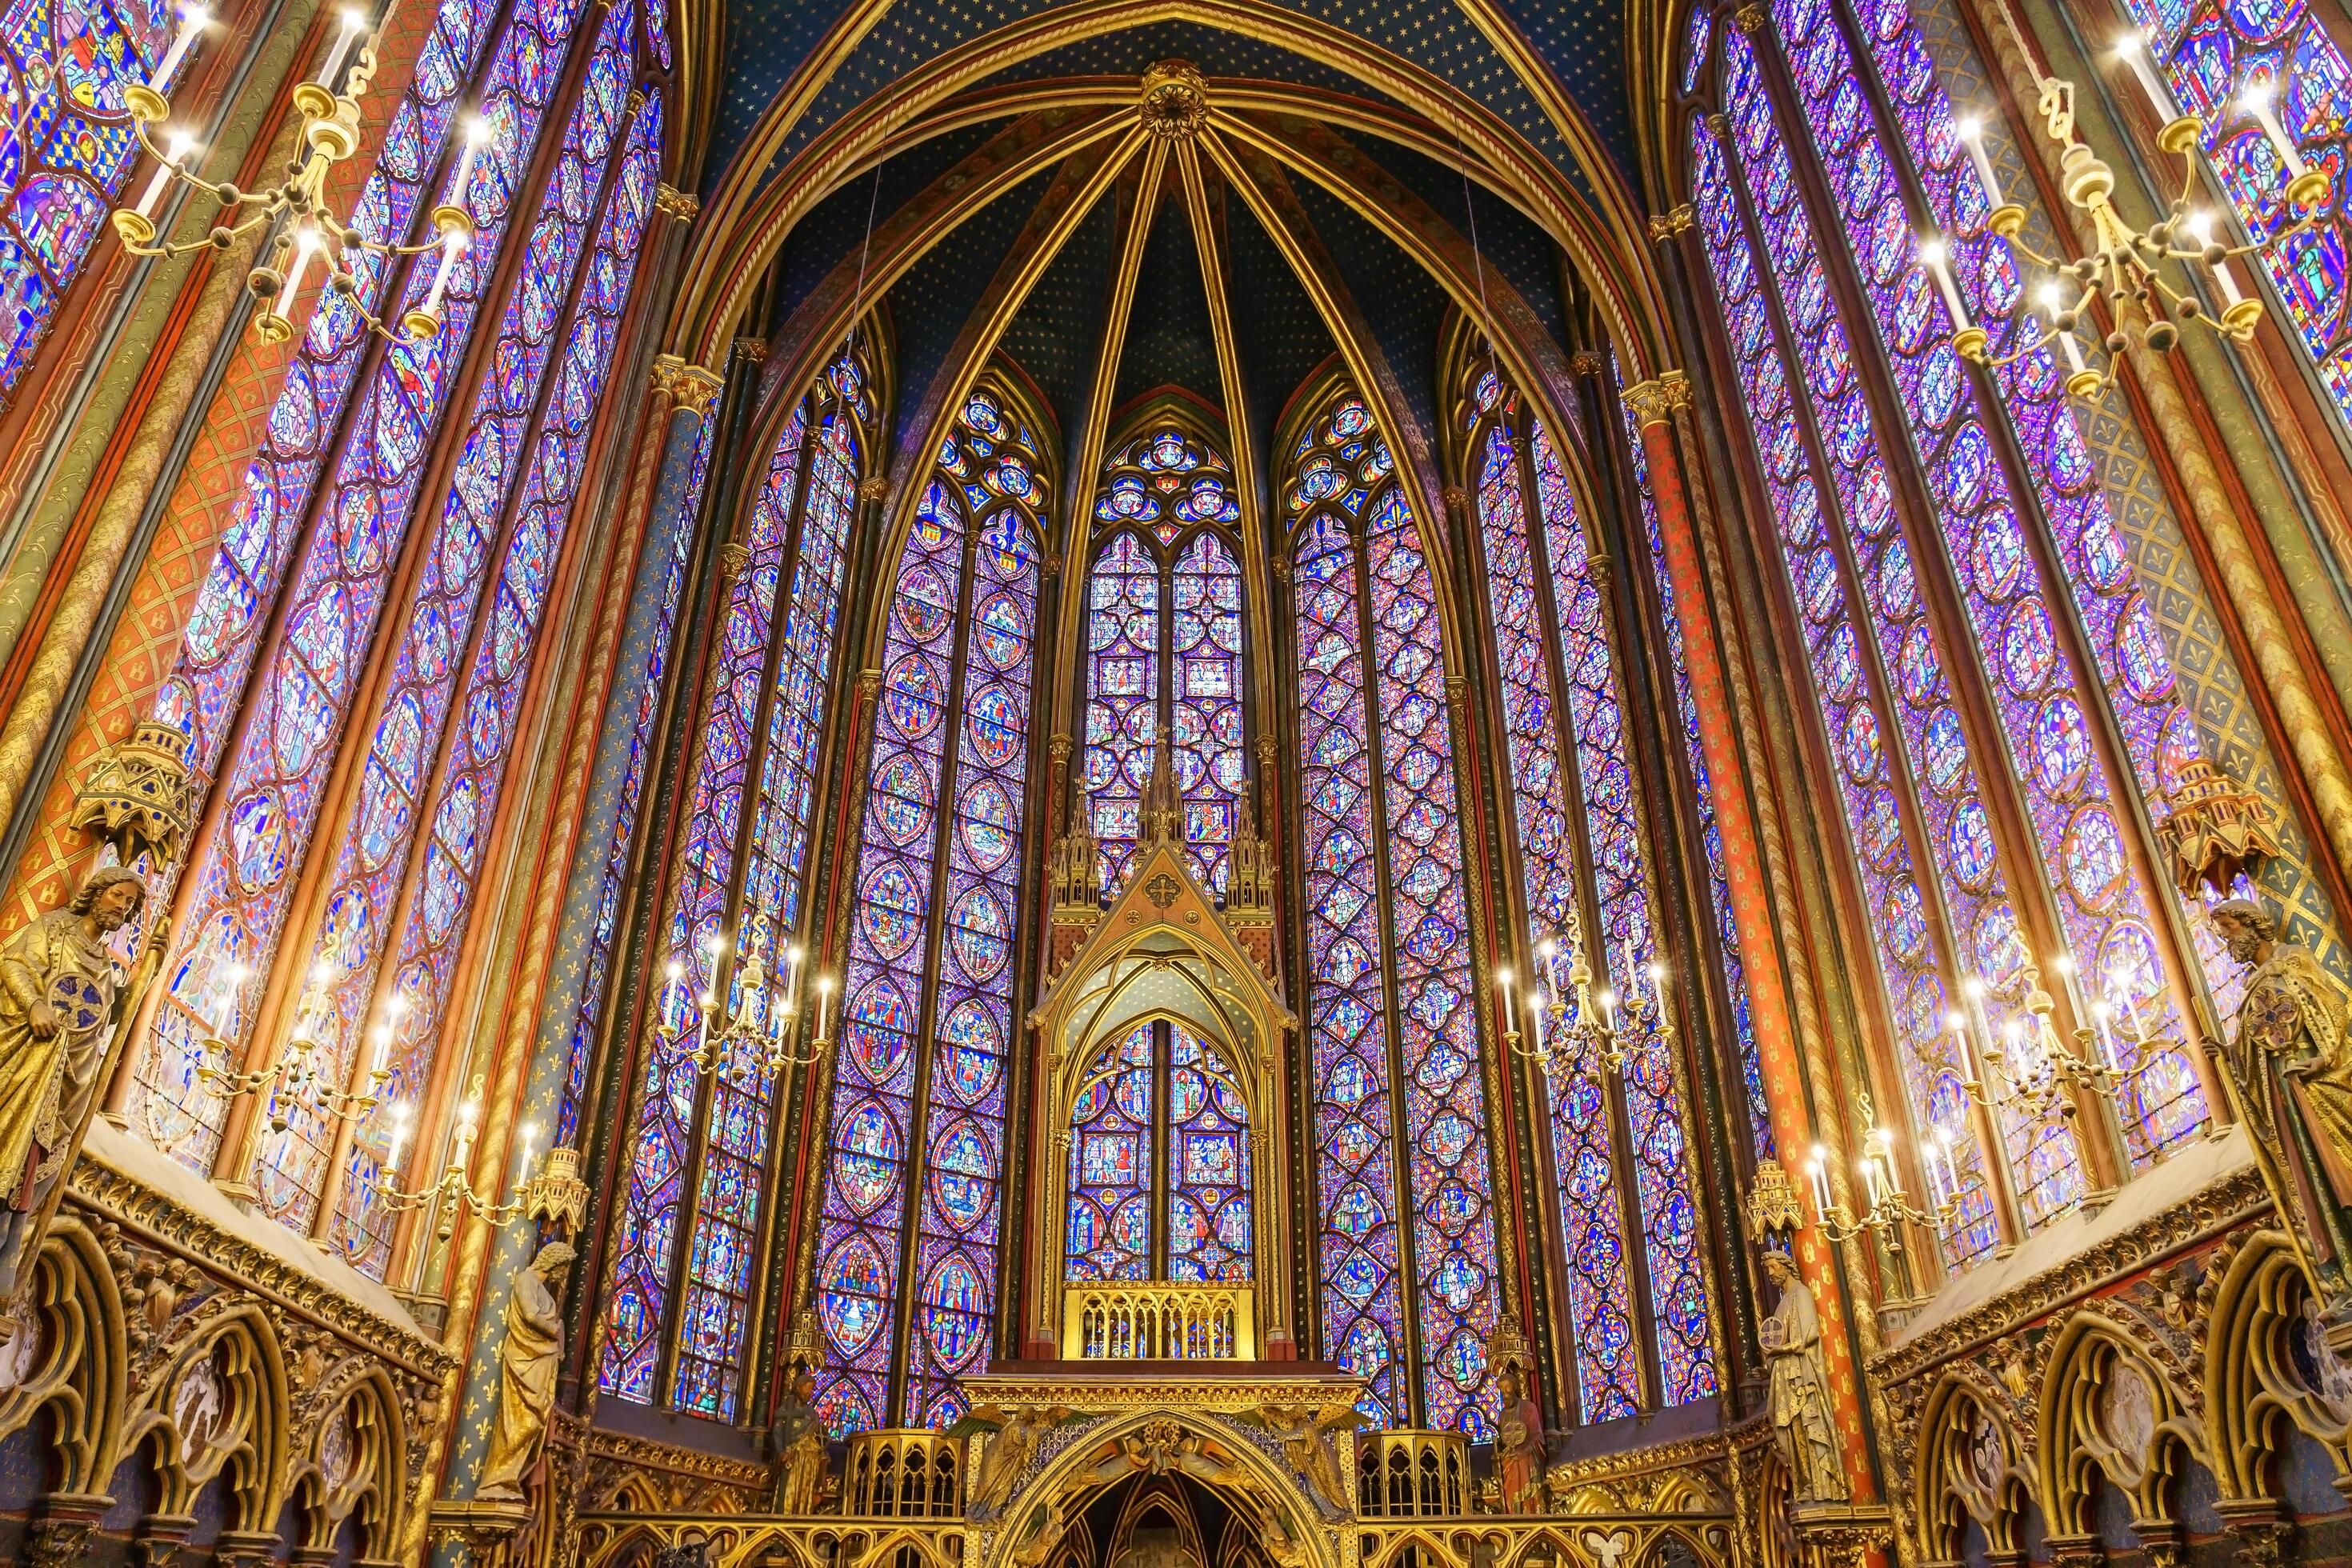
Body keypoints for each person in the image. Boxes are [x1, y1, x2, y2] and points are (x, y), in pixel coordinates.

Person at [0, 867, 144, 1301]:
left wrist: (143, 980)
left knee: (36, 1153)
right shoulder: (54, 929)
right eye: (118, 896)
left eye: (130, 904)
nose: (122, 907)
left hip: (68, 1074)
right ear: (97, 893)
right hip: (28, 1053)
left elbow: (101, 1015)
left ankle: (8, 1241)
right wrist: (35, 1005)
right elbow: (14, 964)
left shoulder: (104, 964)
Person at [477, 1242, 576, 1499]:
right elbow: (531, 1316)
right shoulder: (526, 1280)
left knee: (534, 1424)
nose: (564, 1274)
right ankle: (497, 1480)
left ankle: (508, 1479)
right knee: (525, 1422)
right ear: (554, 1263)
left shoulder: (543, 1289)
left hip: (542, 1362)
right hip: (525, 1360)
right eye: (564, 1267)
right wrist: (556, 1330)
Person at [1758, 1250, 1846, 1503]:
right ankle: (1805, 1483)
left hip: (1802, 1373)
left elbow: (1809, 1336)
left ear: (1786, 1265)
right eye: (1768, 1270)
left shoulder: (1802, 1294)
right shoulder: (1783, 1302)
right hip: (1785, 1373)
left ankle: (1823, 1486)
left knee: (1807, 1422)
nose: (1771, 1274)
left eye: (1774, 1267)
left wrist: (1780, 1350)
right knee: (1789, 1430)